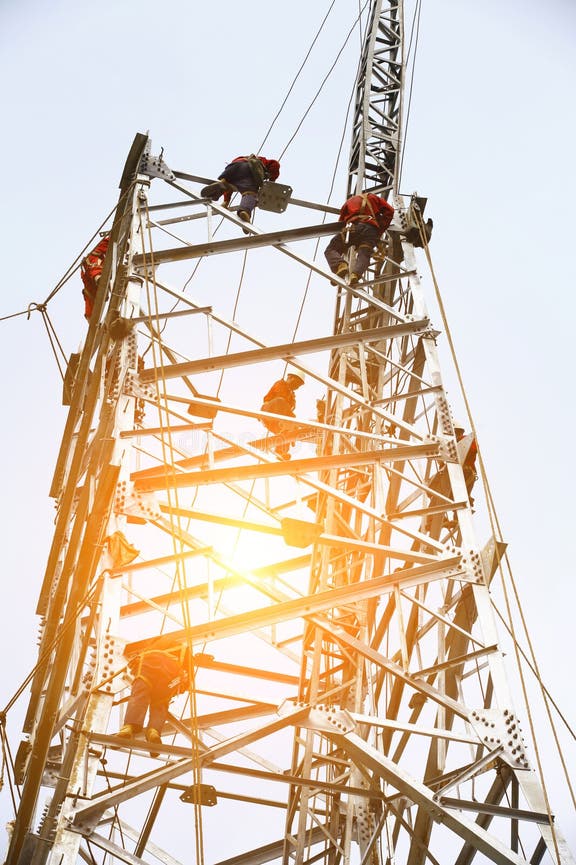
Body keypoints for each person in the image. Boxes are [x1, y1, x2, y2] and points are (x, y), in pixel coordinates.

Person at [116, 647, 189, 756]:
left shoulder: (151, 648)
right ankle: (153, 731)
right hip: (172, 671)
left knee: (139, 695)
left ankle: (128, 727)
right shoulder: (184, 651)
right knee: (160, 703)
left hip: (149, 662)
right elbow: (187, 680)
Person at [324, 192, 395, 285]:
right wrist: (379, 228)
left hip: (354, 228)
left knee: (331, 248)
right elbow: (390, 211)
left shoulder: (348, 202)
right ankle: (356, 275)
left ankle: (340, 265)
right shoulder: (373, 197)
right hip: (371, 232)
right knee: (364, 254)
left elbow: (341, 224)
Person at [426, 422, 478, 531]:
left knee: (457, 496)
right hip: (456, 475)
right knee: (437, 492)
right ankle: (433, 519)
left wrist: (452, 445)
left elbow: (472, 449)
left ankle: (453, 518)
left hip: (465, 473)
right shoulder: (452, 446)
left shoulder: (466, 440)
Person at [201, 154, 280, 222]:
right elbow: (276, 163)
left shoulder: (246, 157)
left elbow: (230, 190)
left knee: (228, 185)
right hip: (249, 168)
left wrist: (226, 202)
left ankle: (222, 183)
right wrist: (272, 181)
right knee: (250, 193)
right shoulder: (264, 162)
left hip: (234, 166)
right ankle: (245, 210)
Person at [260, 371, 305, 460]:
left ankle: (281, 451)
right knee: (281, 402)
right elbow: (282, 399)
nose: (297, 387)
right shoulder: (280, 384)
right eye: (297, 383)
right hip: (270, 410)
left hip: (277, 420)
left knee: (288, 430)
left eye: (299, 385)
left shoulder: (292, 395)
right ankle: (287, 427)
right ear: (290, 377)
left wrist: (293, 426)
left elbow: (289, 408)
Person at [81, 235, 110, 320]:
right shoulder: (96, 256)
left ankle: (99, 279)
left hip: (91, 276)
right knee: (95, 269)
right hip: (93, 262)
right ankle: (99, 279)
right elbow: (94, 268)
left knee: (90, 297)